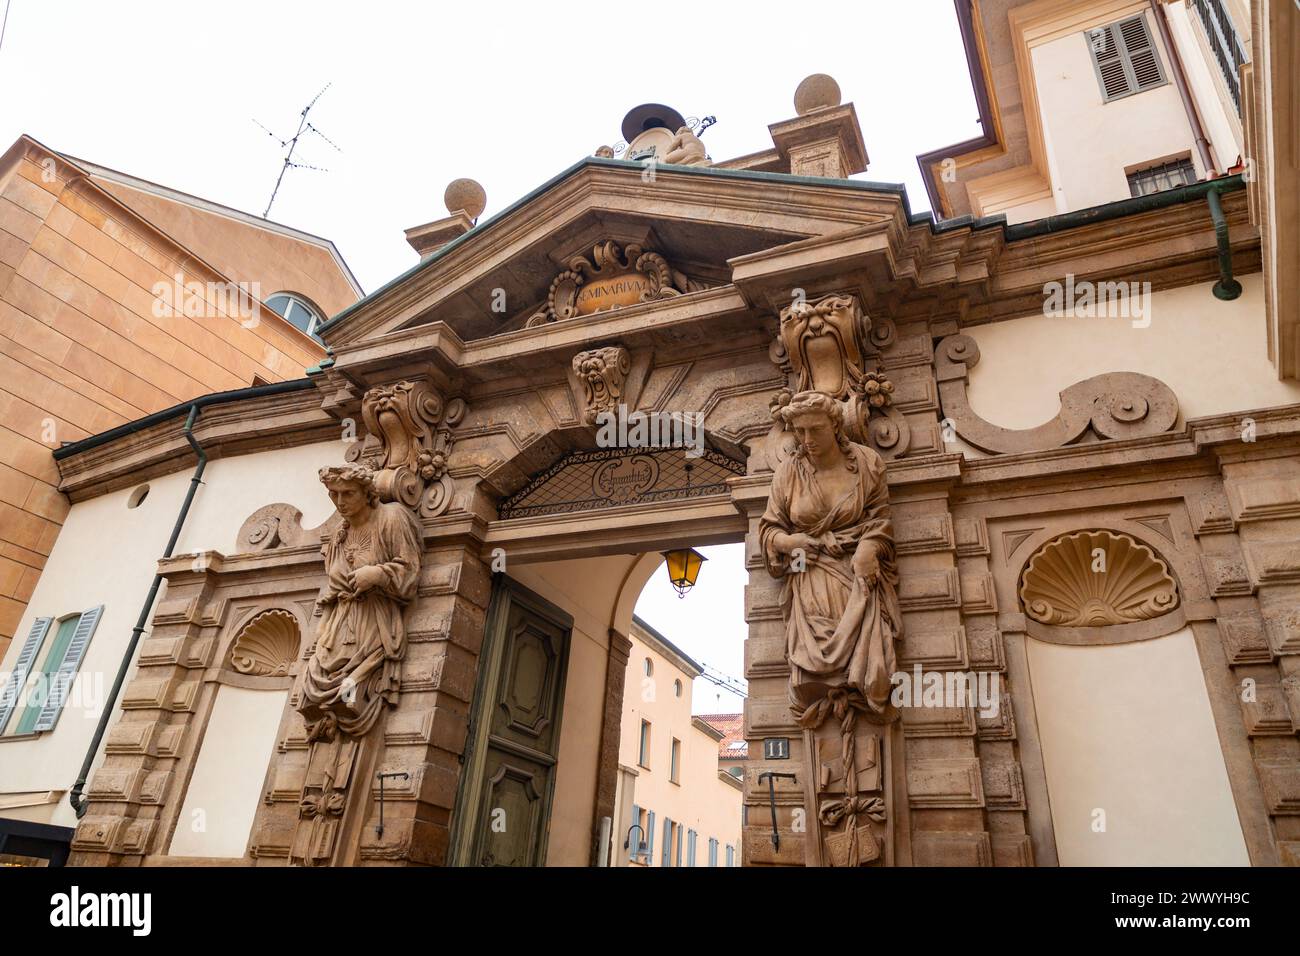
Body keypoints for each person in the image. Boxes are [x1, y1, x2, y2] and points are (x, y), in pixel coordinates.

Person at [759, 391, 901, 720]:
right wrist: (788, 542)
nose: (807, 439)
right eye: (800, 431)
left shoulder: (866, 463)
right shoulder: (788, 473)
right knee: (816, 672)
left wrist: (869, 547)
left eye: (815, 430)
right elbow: (769, 529)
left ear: (835, 425)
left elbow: (881, 520)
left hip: (856, 579)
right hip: (809, 581)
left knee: (868, 667)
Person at [300, 464, 422, 739]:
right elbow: (331, 597)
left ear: (367, 493)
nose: (340, 502)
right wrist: (320, 636)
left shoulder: (391, 518)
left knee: (350, 693)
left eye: (348, 493)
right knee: (315, 688)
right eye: (334, 494)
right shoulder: (338, 537)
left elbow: (411, 573)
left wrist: (378, 574)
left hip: (373, 623)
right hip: (336, 630)